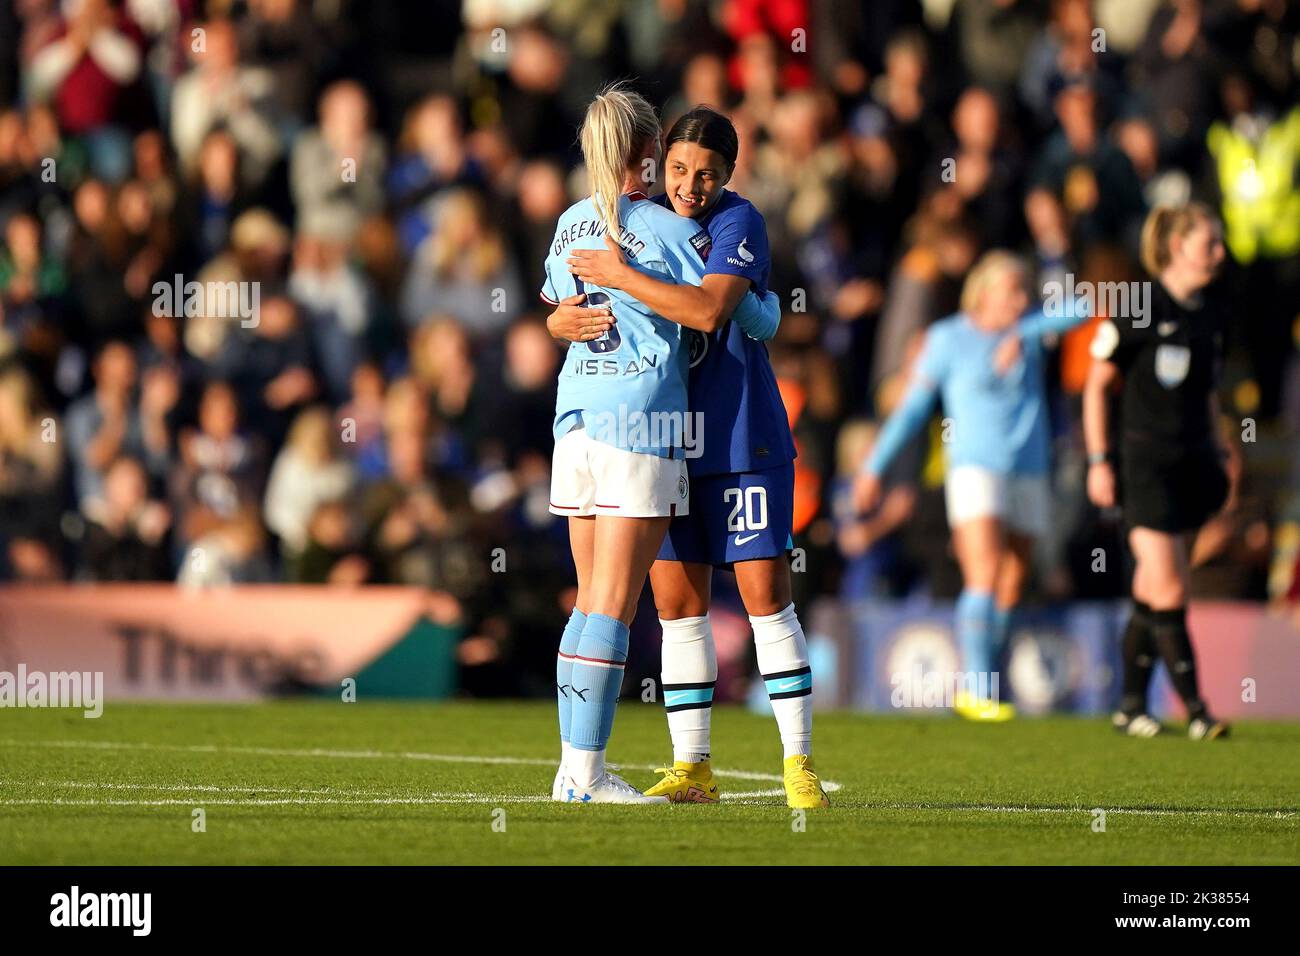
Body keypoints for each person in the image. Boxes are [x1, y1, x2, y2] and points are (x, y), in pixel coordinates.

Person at [551, 106, 827, 808]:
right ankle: (690, 764)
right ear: (655, 159)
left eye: (706, 173)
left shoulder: (736, 222)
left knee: (764, 597)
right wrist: (560, 317)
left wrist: (618, 273)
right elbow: (561, 303)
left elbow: (713, 312)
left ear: (728, 175)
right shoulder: (640, 216)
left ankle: (798, 763)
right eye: (677, 167)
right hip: (662, 435)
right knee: (675, 607)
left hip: (738, 435)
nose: (690, 184)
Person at [542, 85, 716, 804]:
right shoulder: (672, 232)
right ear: (649, 154)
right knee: (613, 603)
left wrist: (561, 325)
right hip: (643, 419)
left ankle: (570, 768)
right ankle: (586, 775)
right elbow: (714, 311)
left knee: (589, 601)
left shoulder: (570, 224)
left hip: (575, 417)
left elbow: (559, 316)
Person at [854, 250, 1089, 719]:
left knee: (1013, 579)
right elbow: (913, 410)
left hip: (1030, 466)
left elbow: (1081, 308)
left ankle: (989, 683)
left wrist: (1023, 331)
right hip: (974, 467)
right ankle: (978, 690)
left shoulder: (1030, 332)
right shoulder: (948, 339)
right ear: (982, 292)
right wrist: (874, 466)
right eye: (1010, 291)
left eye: (1024, 291)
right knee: (983, 571)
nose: (1020, 299)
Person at [1084, 202, 1237, 740]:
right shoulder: (1138, 306)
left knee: (1155, 588)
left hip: (1194, 465)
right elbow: (1096, 385)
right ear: (1177, 246)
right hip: (1144, 466)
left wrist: (1222, 451)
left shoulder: (1211, 312)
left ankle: (1129, 705)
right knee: (1169, 587)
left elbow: (1209, 395)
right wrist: (1099, 460)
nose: (1219, 253)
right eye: (1210, 242)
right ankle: (1197, 710)